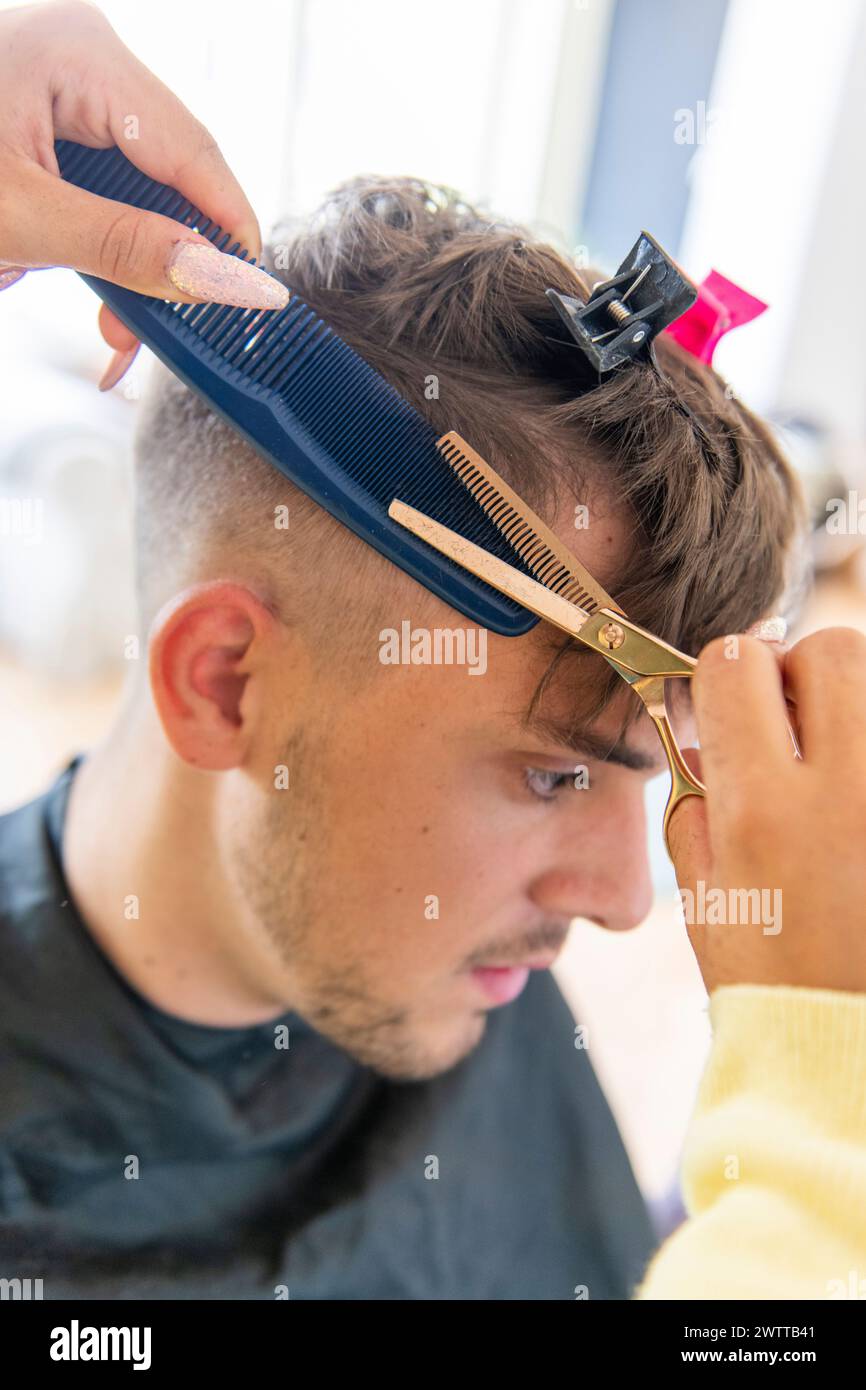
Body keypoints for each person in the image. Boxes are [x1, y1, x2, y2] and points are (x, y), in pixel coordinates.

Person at [0, 0, 863, 1301]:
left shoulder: (445, 958)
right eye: (557, 773)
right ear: (223, 680)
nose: (629, 902)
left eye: (649, 775)